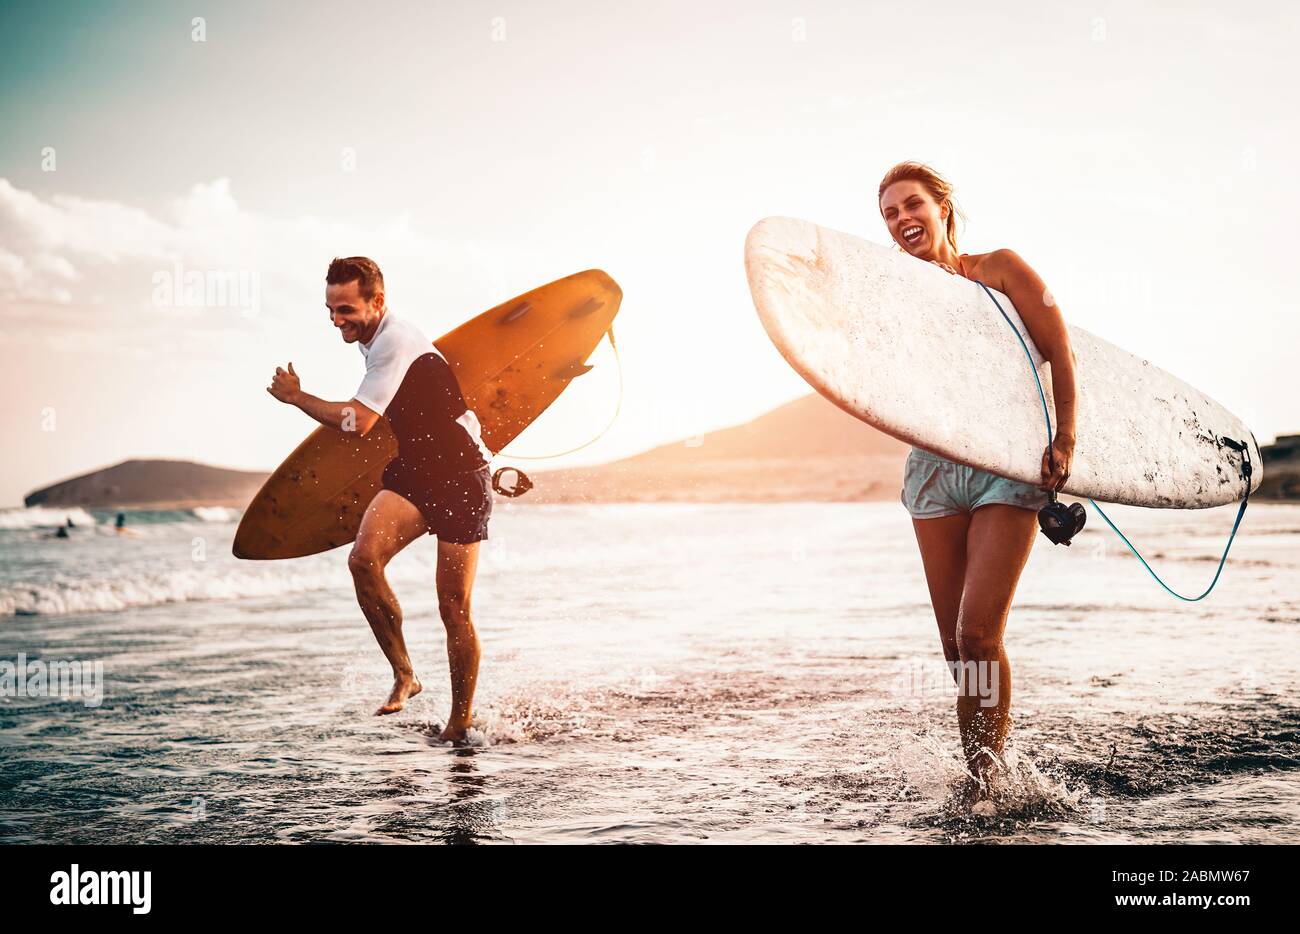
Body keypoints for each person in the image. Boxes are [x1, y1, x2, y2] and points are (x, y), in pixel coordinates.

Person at [878, 162, 1078, 804]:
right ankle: (980, 776)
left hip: (1004, 465)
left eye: (912, 205)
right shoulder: (896, 295)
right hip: (932, 468)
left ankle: (991, 781)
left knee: (978, 635)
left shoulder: (999, 268)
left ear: (942, 209)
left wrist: (1066, 437)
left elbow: (1061, 349)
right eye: (889, 214)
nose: (902, 219)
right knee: (952, 647)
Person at [267, 256, 493, 741]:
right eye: (330, 310)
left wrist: (298, 399)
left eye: (345, 310)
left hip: (459, 476)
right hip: (414, 469)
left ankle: (460, 722)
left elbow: (358, 422)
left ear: (378, 301)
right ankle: (406, 674)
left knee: (453, 609)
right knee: (363, 560)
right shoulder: (372, 339)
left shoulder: (394, 340)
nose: (336, 321)